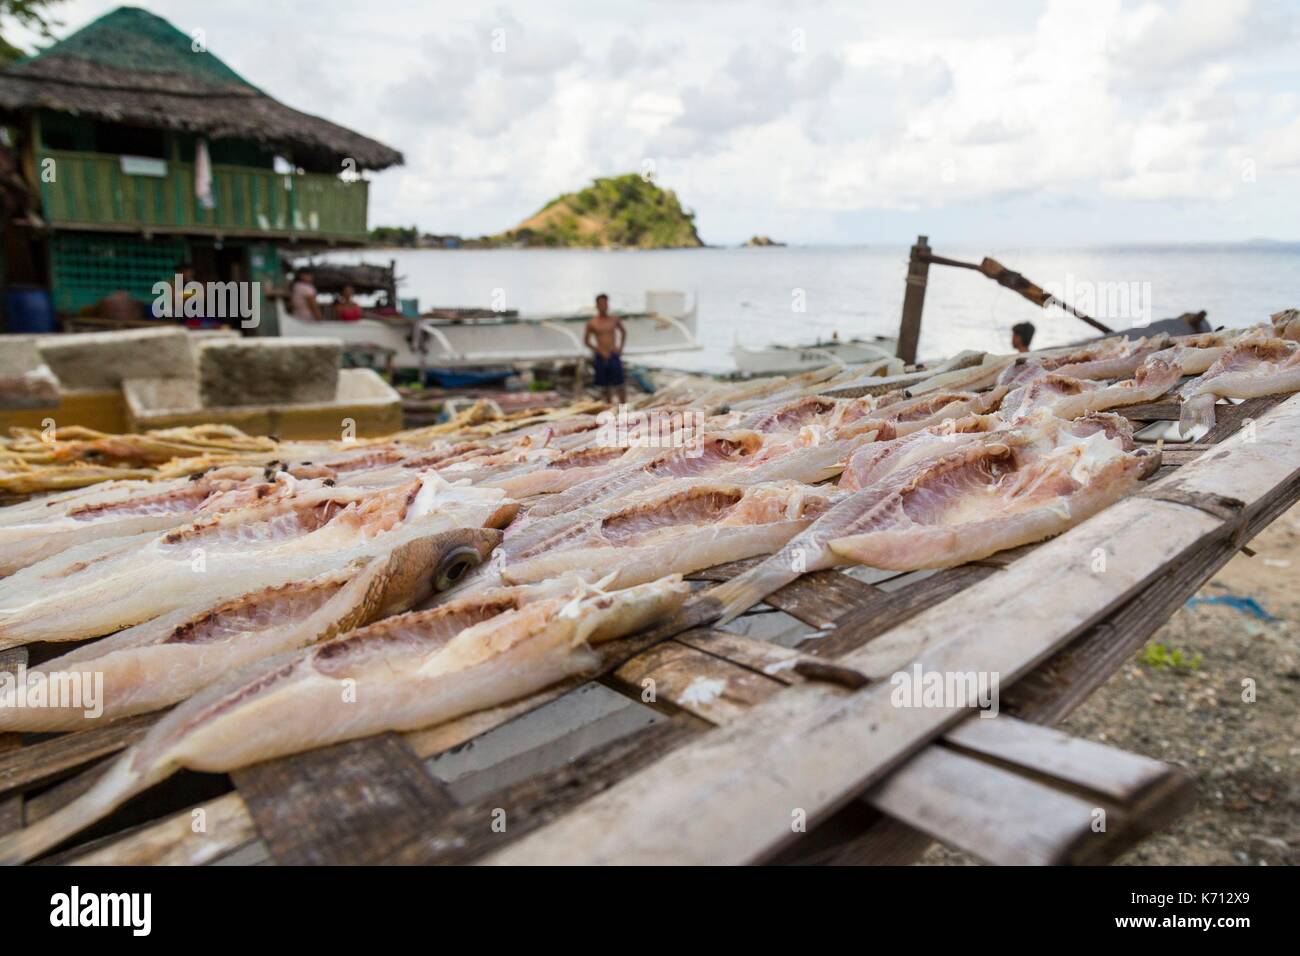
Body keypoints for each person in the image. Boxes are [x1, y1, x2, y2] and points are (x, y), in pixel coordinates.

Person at [583, 292, 627, 404]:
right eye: (601, 304)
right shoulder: (592, 322)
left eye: (605, 303)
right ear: (597, 305)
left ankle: (624, 412)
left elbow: (623, 332)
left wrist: (620, 348)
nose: (603, 306)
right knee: (604, 387)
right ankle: (610, 410)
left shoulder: (614, 319)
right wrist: (599, 350)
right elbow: (586, 341)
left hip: (613, 354)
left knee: (620, 386)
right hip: (601, 355)